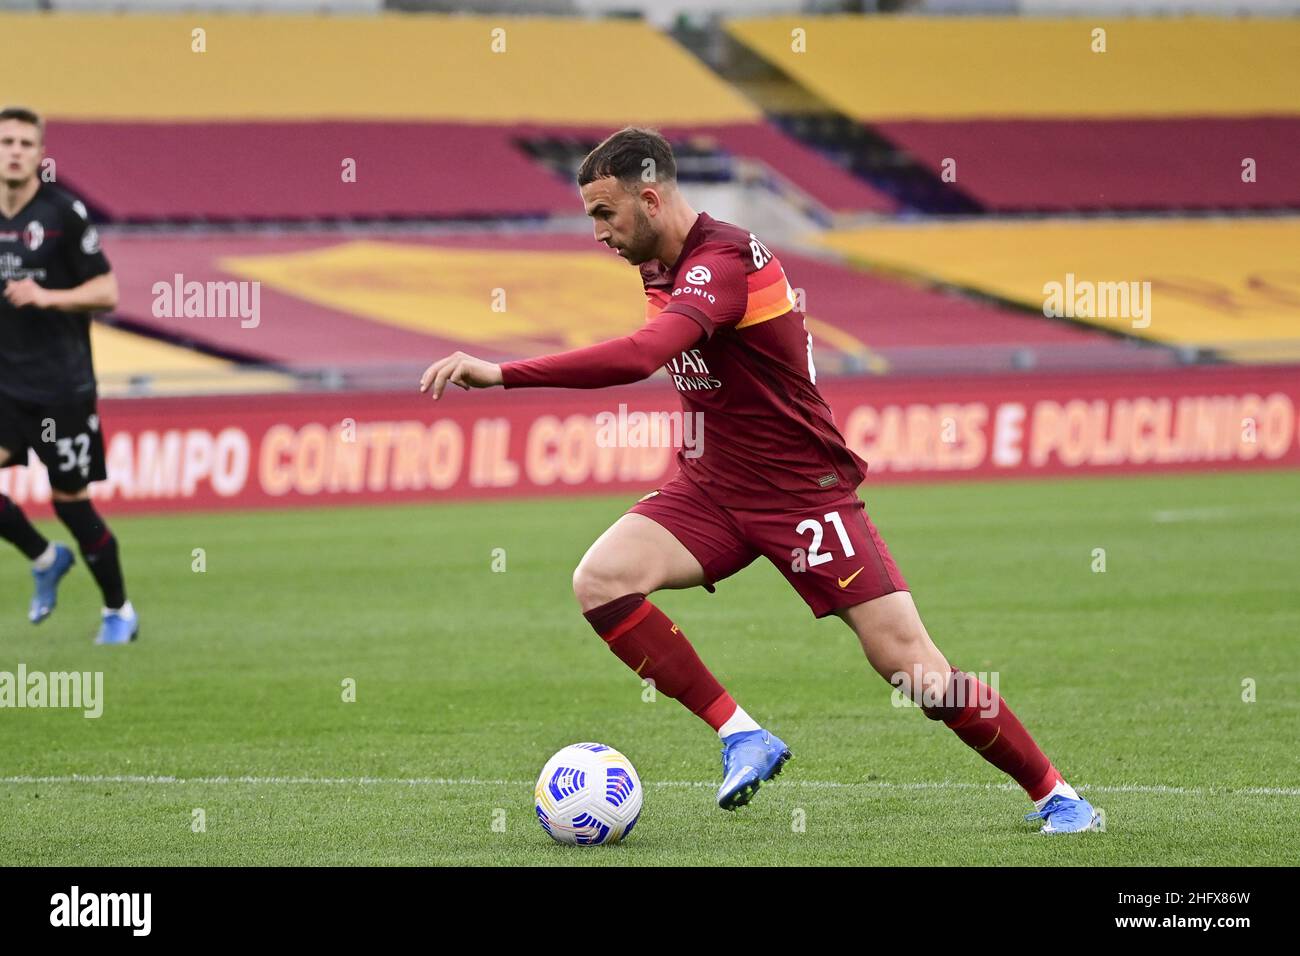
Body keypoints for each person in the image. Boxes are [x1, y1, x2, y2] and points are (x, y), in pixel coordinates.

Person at [420, 127, 1097, 832]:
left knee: (914, 672)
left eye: (604, 214)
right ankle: (742, 734)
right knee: (600, 580)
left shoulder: (727, 259)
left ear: (650, 199)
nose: (597, 232)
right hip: (711, 488)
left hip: (802, 494)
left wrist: (503, 373)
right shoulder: (657, 261)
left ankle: (1059, 796)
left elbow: (644, 353)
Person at [0, 106, 137, 645]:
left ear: (40, 154)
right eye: (5, 141)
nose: (14, 151)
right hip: (5, 388)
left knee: (70, 502)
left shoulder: (63, 212)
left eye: (25, 144)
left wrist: (47, 297)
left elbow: (108, 292)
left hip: (62, 389)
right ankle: (43, 557)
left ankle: (118, 611)